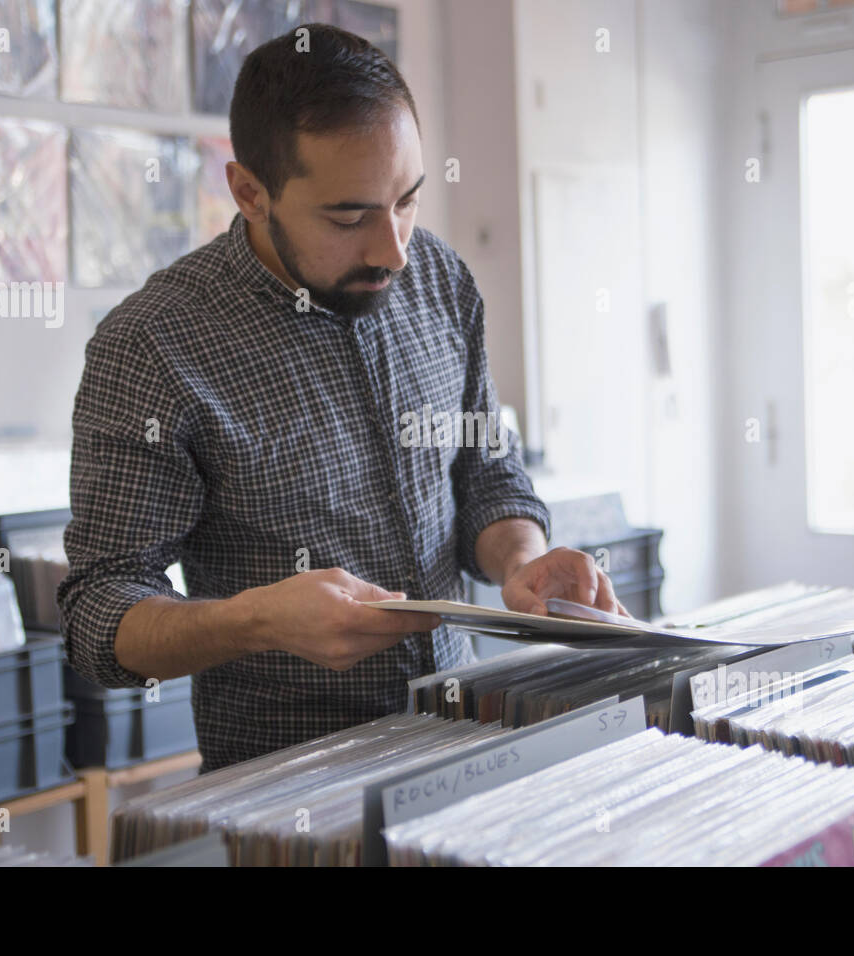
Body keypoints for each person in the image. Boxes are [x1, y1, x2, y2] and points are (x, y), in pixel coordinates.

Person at [57, 24, 627, 773]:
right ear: (249, 192)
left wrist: (523, 561)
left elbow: (486, 472)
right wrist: (257, 620)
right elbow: (98, 613)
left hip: (473, 745)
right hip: (291, 792)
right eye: (349, 216)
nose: (392, 249)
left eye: (409, 201)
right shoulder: (153, 346)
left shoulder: (440, 280)